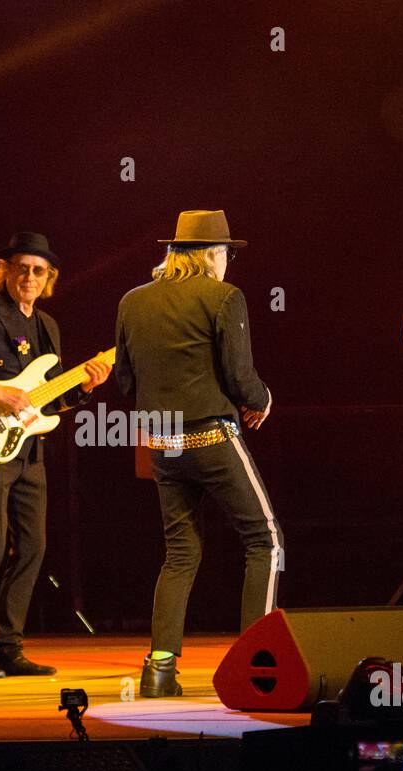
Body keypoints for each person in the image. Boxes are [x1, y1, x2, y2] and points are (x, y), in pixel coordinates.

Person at [115, 210, 281, 698]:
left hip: (162, 443)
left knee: (181, 553)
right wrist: (262, 399)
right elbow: (240, 377)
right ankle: (258, 665)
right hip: (211, 436)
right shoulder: (224, 297)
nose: (229, 262)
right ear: (211, 255)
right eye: (227, 253)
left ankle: (159, 669)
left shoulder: (132, 301)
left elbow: (126, 381)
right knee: (265, 539)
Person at [0, 232, 110, 678]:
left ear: (49, 278)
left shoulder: (48, 326)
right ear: (4, 270)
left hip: (30, 450)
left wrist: (83, 388)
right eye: (22, 268)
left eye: (39, 271)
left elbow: (46, 402)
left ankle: (8, 647)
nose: (30, 277)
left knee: (33, 545)